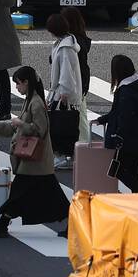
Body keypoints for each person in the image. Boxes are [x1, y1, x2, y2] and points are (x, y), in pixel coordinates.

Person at [0, 66, 70, 236]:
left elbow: (40, 130)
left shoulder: (35, 103)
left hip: (34, 161)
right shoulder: (30, 100)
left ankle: (2, 225)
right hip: (36, 162)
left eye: (18, 84)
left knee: (18, 194)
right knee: (53, 198)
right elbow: (16, 129)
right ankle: (74, 222)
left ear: (26, 82)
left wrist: (21, 124)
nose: (17, 87)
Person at [93, 55, 138, 193]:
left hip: (128, 139)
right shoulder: (136, 86)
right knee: (133, 171)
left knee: (120, 170)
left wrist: (117, 135)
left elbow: (123, 116)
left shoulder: (126, 91)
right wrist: (103, 119)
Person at [45, 13, 85, 168]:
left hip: (63, 95)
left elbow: (66, 74)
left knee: (60, 126)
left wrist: (63, 94)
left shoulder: (65, 48)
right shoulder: (65, 44)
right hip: (63, 93)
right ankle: (64, 155)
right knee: (62, 126)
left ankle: (64, 156)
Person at [60, 7, 91, 96]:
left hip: (69, 86)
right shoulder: (82, 39)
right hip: (81, 81)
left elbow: (66, 66)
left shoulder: (69, 42)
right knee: (79, 108)